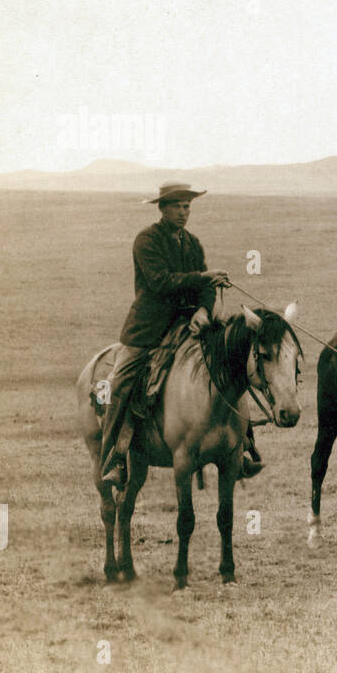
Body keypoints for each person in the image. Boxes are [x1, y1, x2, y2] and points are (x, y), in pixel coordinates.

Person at [99, 183, 257, 486]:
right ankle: (115, 458)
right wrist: (203, 277)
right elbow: (160, 282)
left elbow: (207, 288)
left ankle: (243, 446)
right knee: (119, 384)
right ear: (163, 209)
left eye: (187, 206)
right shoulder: (146, 240)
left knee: (233, 361)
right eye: (177, 207)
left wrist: (202, 310)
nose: (184, 212)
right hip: (149, 329)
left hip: (191, 323)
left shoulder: (193, 243)